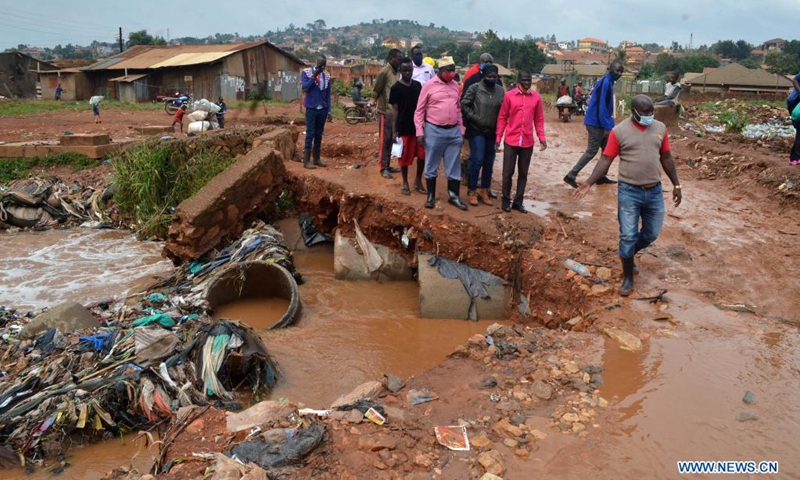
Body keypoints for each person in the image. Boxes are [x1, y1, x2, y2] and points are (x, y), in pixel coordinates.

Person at [573, 94, 682, 295]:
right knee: (628, 235)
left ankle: (628, 254)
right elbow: (605, 160)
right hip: (629, 192)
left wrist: (677, 185)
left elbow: (666, 157)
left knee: (651, 233)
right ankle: (628, 277)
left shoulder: (660, 129)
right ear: (634, 112)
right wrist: (589, 182)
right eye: (645, 113)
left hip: (654, 191)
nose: (649, 116)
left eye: (651, 112)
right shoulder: (619, 131)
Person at [414, 56, 467, 210]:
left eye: (453, 70)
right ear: (441, 70)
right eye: (449, 70)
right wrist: (419, 131)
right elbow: (419, 111)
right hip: (434, 130)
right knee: (431, 164)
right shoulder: (428, 86)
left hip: (453, 132)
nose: (452, 73)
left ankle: (454, 196)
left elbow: (458, 109)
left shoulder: (455, 86)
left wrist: (461, 130)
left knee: (453, 166)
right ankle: (430, 196)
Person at [564, 61, 624, 188]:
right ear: (610, 70)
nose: (619, 74)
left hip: (601, 122)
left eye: (621, 72)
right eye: (617, 71)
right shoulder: (605, 83)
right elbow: (601, 106)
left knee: (607, 151)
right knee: (591, 151)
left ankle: (601, 176)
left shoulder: (608, 82)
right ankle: (571, 175)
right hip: (596, 123)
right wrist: (606, 127)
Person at [495, 71, 547, 213]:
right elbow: (502, 117)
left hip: (527, 142)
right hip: (511, 141)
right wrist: (498, 138)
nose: (527, 83)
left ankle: (518, 201)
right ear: (518, 81)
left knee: (523, 173)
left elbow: (539, 119)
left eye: (529, 80)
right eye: (524, 80)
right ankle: (506, 200)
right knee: (507, 173)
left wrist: (542, 138)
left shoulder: (536, 98)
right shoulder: (509, 96)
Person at [461, 64, 504, 206]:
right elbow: (464, 104)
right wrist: (475, 117)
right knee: (477, 160)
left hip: (492, 130)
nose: (492, 79)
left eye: (494, 77)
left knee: (488, 162)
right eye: (489, 76)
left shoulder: (500, 91)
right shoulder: (475, 88)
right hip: (476, 129)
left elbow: (503, 109)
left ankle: (484, 191)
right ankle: (472, 190)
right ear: (484, 76)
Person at [390, 58, 426, 196]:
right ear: (400, 70)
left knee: (422, 154)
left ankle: (418, 180)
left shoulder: (417, 86)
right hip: (403, 126)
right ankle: (405, 182)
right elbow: (394, 110)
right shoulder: (395, 88)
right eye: (404, 70)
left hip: (418, 127)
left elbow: (422, 107)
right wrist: (394, 130)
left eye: (410, 70)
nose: (407, 73)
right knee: (404, 156)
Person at [373, 48, 404, 179]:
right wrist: (377, 106)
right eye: (398, 59)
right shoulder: (384, 72)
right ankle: (382, 167)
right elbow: (376, 91)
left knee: (391, 139)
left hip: (394, 113)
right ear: (391, 59)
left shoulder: (397, 73)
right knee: (384, 141)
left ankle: (388, 164)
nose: (400, 62)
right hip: (385, 112)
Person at [301, 54, 332, 169]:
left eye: (323, 65)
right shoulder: (306, 73)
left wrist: (329, 110)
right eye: (320, 64)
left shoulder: (327, 76)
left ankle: (317, 158)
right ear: (316, 63)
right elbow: (305, 88)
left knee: (319, 134)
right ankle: (306, 161)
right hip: (311, 108)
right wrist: (314, 75)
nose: (322, 67)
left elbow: (328, 94)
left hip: (322, 109)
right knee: (310, 134)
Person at [788, 73, 800, 166]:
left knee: (799, 136)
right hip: (797, 117)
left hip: (796, 117)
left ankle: (793, 158)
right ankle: (795, 158)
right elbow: (795, 80)